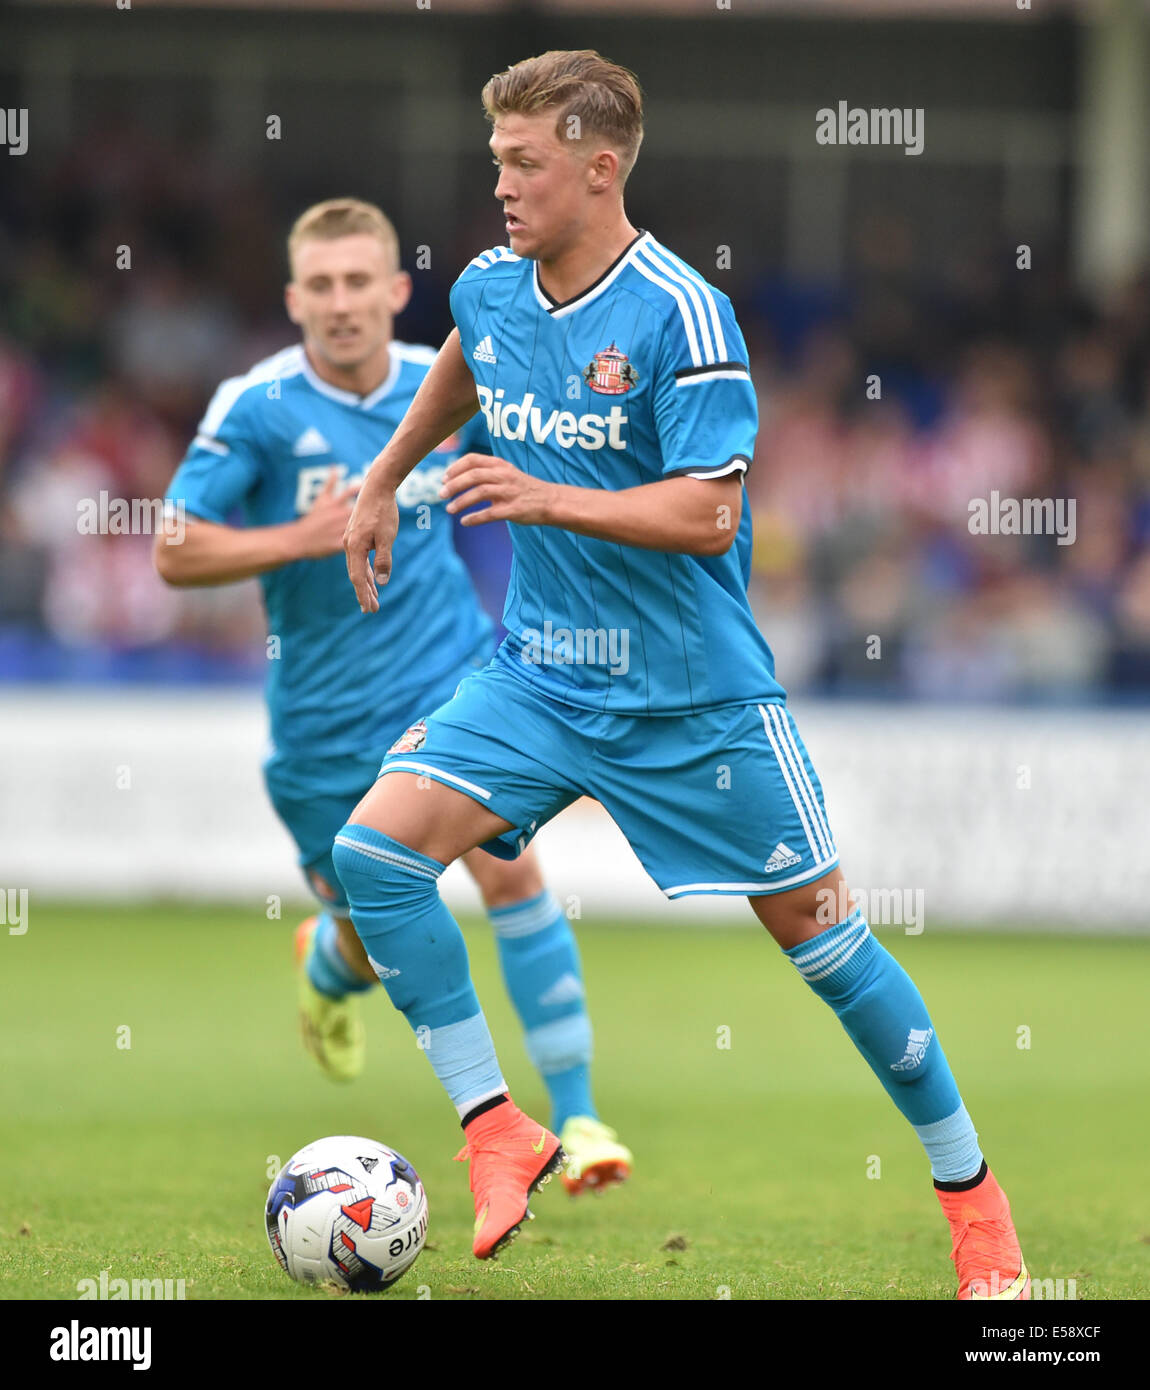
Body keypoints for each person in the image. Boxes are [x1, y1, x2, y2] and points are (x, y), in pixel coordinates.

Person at [336, 52, 1030, 1298]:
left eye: (523, 162)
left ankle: (973, 1201)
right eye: (495, 160)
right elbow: (463, 356)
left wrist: (545, 494)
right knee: (375, 860)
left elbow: (711, 514)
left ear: (599, 167)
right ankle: (497, 1127)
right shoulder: (496, 287)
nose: (499, 183)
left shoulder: (680, 313)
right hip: (541, 677)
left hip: (691, 697)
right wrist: (385, 476)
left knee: (824, 944)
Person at [153, 197, 632, 1196]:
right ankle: (330, 966)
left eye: (358, 281)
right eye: (319, 286)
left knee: (512, 875)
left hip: (448, 683)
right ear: (293, 299)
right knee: (371, 940)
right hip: (322, 727)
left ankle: (581, 1115)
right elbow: (176, 546)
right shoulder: (258, 407)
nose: (340, 303)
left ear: (396, 290)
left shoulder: (444, 386)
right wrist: (298, 537)